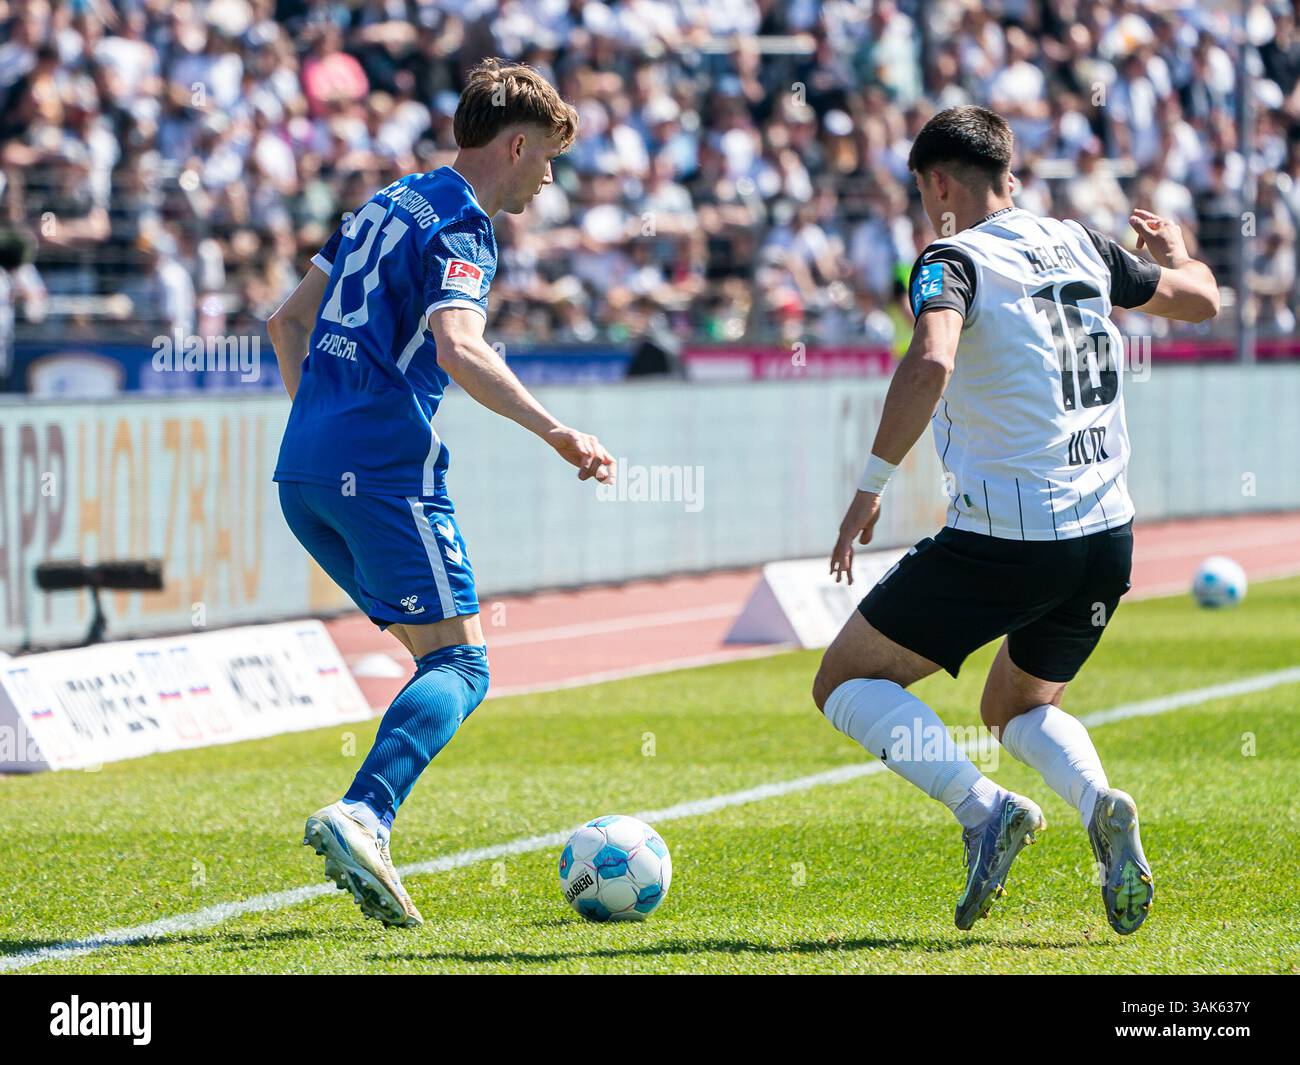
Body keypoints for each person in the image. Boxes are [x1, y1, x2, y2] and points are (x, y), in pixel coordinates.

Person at [811, 105, 1218, 934]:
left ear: (940, 185)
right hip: (1107, 534)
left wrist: (871, 483)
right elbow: (1202, 301)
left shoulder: (949, 258)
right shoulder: (1082, 243)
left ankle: (984, 809)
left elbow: (931, 358)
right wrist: (1177, 256)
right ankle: (1098, 801)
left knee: (845, 681)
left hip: (1009, 536)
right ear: (1013, 175)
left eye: (924, 194)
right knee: (1014, 706)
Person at [267, 58, 615, 928]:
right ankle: (365, 813)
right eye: (547, 161)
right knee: (462, 662)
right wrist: (557, 431)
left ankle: (369, 822)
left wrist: (321, 421)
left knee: (437, 654)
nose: (547, 179)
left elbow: (285, 321)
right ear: (518, 143)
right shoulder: (464, 225)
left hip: (304, 471)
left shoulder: (385, 201)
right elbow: (460, 348)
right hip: (384, 468)